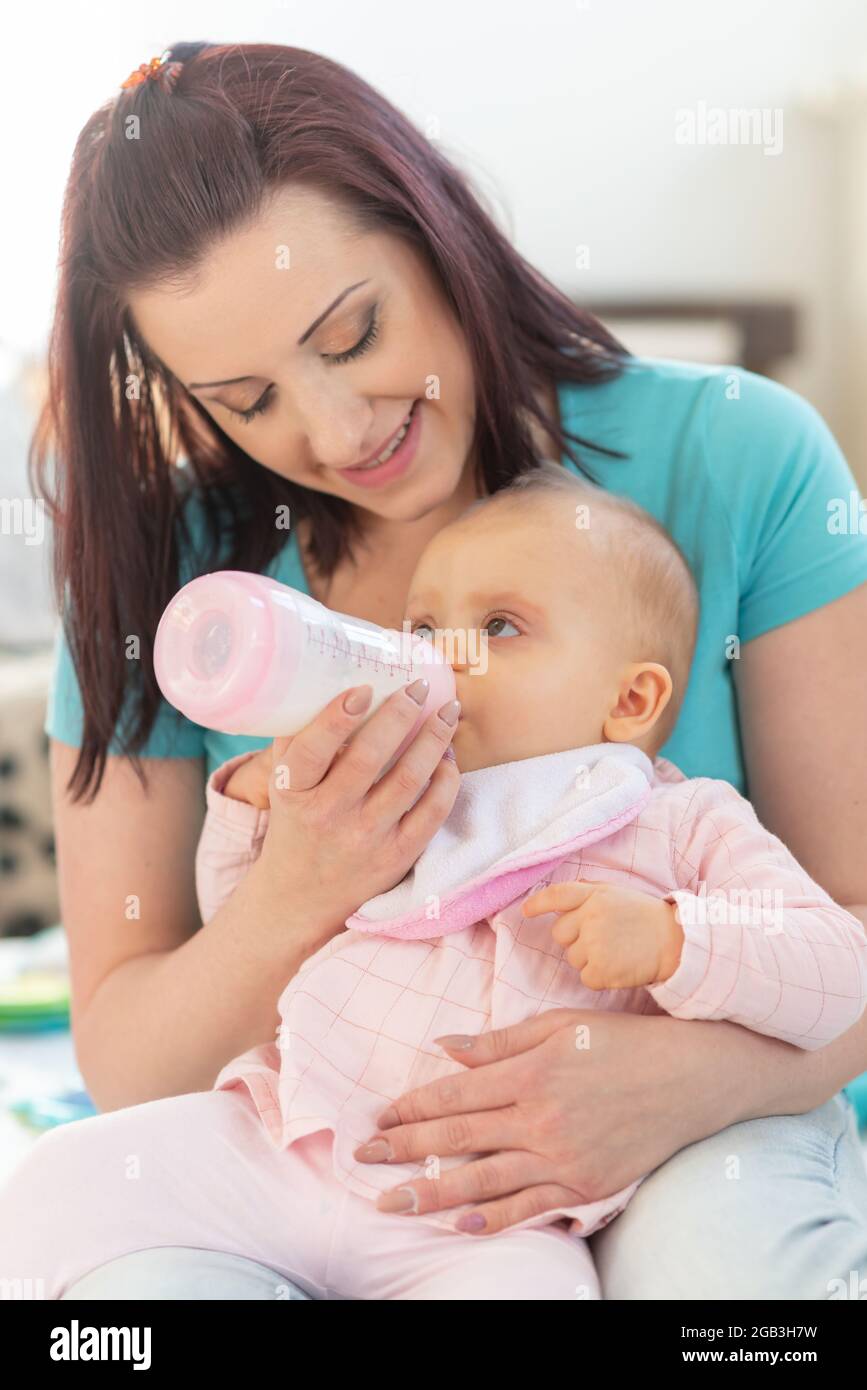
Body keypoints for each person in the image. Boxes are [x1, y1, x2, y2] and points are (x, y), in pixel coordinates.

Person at [22, 40, 867, 1298]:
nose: (335, 428)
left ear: (433, 224)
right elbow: (128, 1058)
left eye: (352, 331)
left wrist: (672, 1081)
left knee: (722, 1267)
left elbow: (849, 933)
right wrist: (295, 889)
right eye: (248, 399)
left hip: (713, 1112)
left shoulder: (738, 458)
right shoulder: (182, 582)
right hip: (324, 1153)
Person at [5, 472, 866, 1299]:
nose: (440, 658)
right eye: (421, 628)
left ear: (630, 700)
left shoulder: (682, 823)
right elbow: (244, 940)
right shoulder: (396, 801)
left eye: (497, 627)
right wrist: (259, 817)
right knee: (51, 1185)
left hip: (479, 1214)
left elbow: (836, 969)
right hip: (287, 1144)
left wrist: (679, 939)